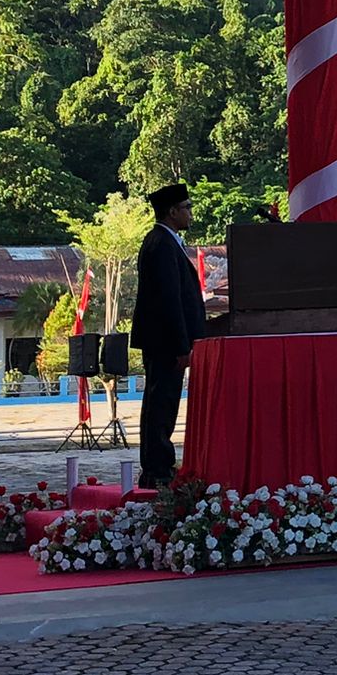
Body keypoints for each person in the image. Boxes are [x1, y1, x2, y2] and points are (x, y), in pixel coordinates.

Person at [133, 182, 207, 487]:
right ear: (172, 211)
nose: (190, 212)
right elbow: (170, 299)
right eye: (186, 207)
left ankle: (159, 464)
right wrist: (181, 345)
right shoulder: (161, 244)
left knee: (163, 403)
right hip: (165, 341)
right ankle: (157, 468)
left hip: (165, 340)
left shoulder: (167, 242)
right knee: (160, 404)